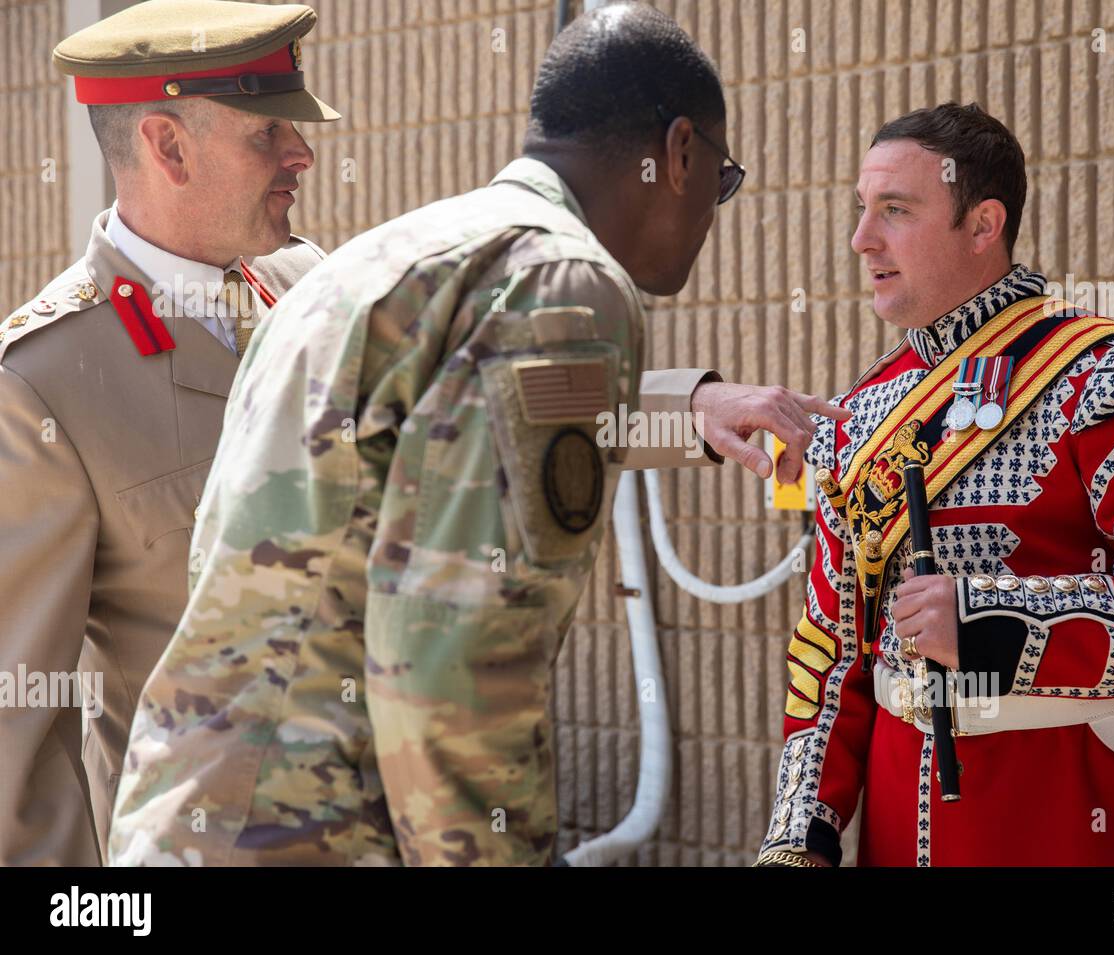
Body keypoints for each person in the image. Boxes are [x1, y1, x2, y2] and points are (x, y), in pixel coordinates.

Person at [107, 2, 845, 867]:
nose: (712, 212)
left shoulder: (370, 265)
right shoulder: (566, 283)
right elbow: (456, 664)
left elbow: (439, 437)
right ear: (678, 153)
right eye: (720, 180)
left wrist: (686, 410)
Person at [754, 103, 1114, 867]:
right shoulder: (860, 414)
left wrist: (991, 620)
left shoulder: (1106, 379)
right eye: (863, 211)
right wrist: (802, 834)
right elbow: (832, 652)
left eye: (895, 211)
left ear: (983, 223)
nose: (862, 239)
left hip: (1075, 817)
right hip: (898, 827)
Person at [0, 0, 338, 866]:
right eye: (269, 133)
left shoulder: (314, 286)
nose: (301, 154)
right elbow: (16, 744)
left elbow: (480, 394)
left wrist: (685, 411)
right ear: (169, 145)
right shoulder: (39, 382)